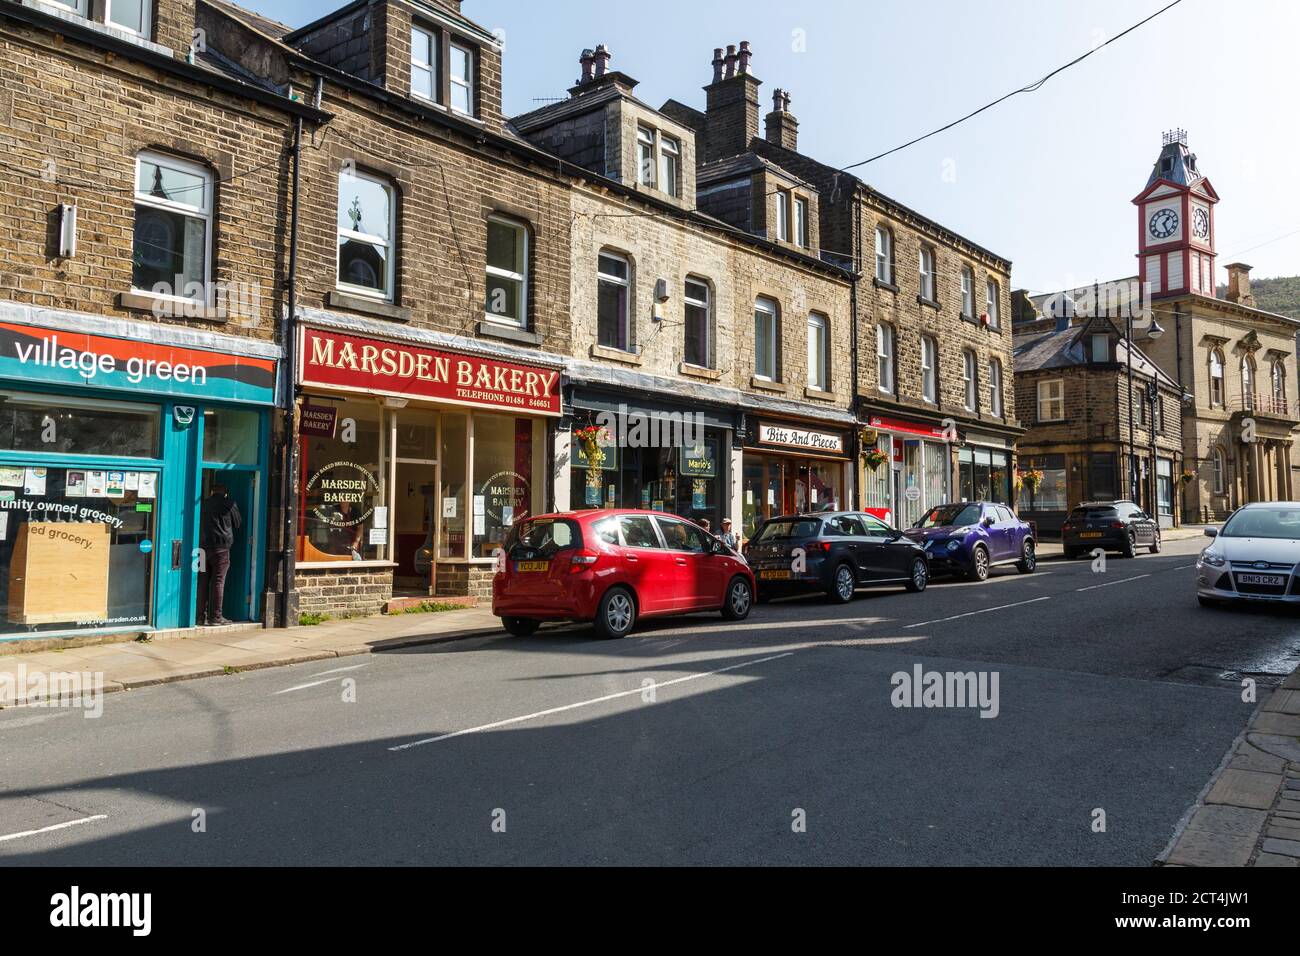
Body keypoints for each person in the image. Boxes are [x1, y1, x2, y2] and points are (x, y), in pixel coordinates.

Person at [198, 484, 242, 626]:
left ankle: (199, 616)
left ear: (211, 492)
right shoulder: (230, 504)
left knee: (202, 581)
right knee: (218, 581)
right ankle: (215, 617)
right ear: (225, 493)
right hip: (221, 549)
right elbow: (238, 523)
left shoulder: (203, 504)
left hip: (202, 548)